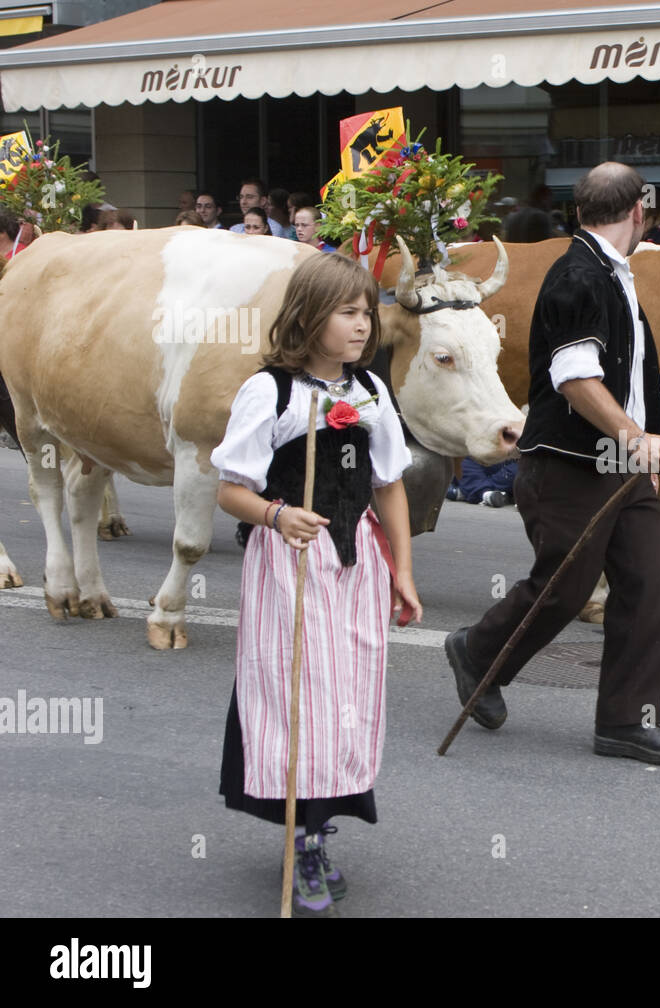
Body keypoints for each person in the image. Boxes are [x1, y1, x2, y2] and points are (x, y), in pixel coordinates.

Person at [443, 161, 660, 765]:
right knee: (565, 587)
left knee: (644, 587)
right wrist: (637, 434)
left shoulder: (613, 272)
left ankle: (628, 722)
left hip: (620, 460)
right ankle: (478, 651)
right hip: (569, 462)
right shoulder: (577, 276)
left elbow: (622, 375)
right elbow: (576, 379)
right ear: (639, 211)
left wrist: (641, 445)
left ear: (581, 210)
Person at [211, 252, 422, 917]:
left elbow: (388, 486)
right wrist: (277, 513)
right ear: (309, 315)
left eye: (367, 313)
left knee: (345, 691)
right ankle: (304, 840)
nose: (362, 326)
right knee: (296, 690)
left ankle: (321, 825)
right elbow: (229, 492)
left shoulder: (370, 392)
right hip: (288, 565)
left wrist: (403, 573)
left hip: (354, 562)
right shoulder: (270, 392)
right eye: (347, 313)